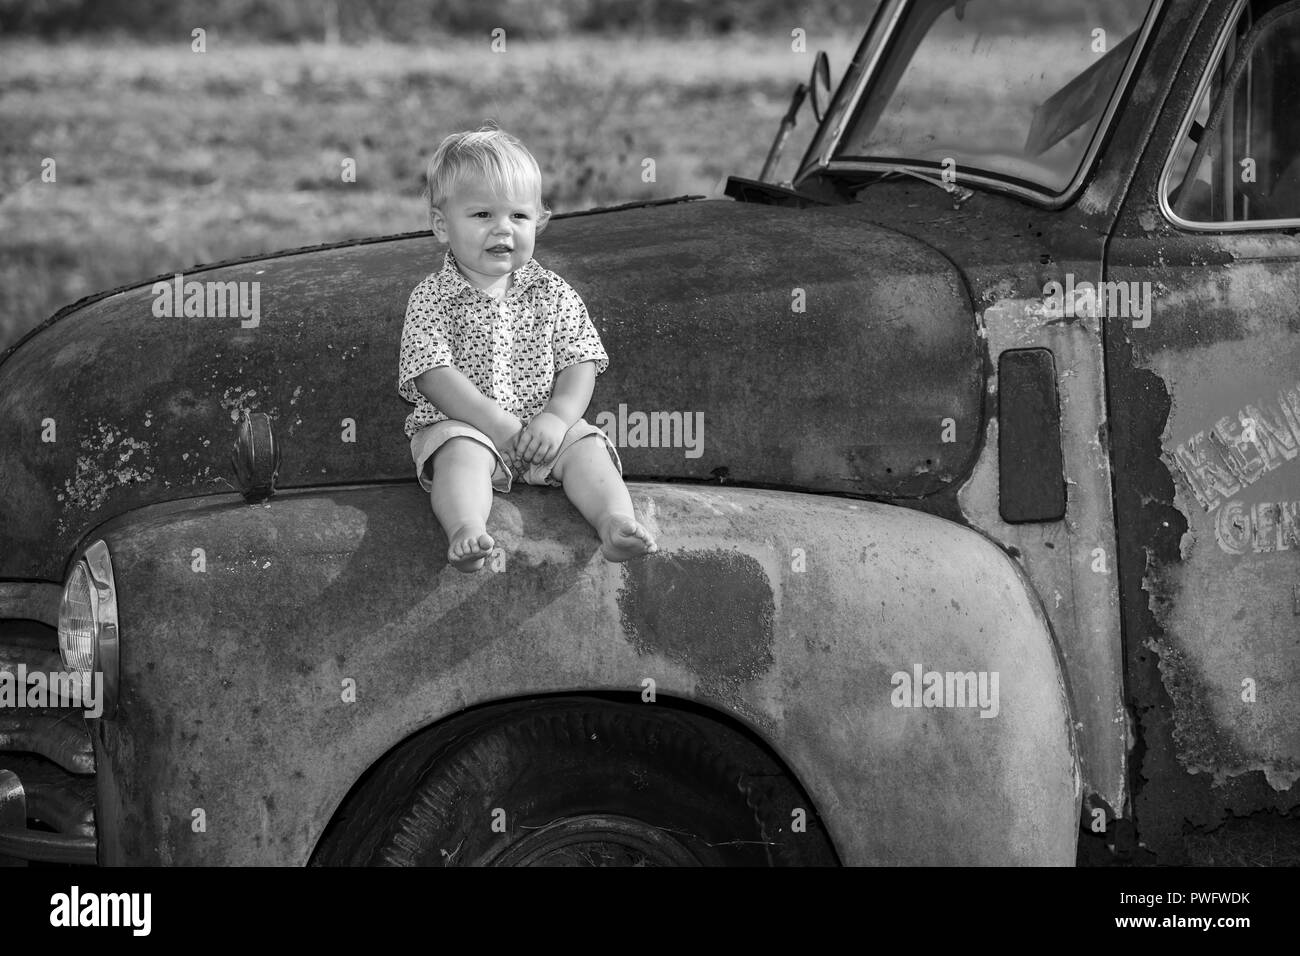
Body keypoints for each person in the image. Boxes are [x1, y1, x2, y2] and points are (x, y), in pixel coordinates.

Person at [397, 126, 658, 572]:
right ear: (442, 225)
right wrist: (496, 425)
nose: (503, 228)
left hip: (542, 430)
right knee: (458, 455)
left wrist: (557, 418)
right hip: (466, 425)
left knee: (588, 448)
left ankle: (615, 522)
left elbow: (581, 361)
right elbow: (431, 372)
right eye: (481, 215)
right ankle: (465, 529)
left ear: (539, 220)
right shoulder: (432, 297)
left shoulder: (553, 292)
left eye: (518, 216)